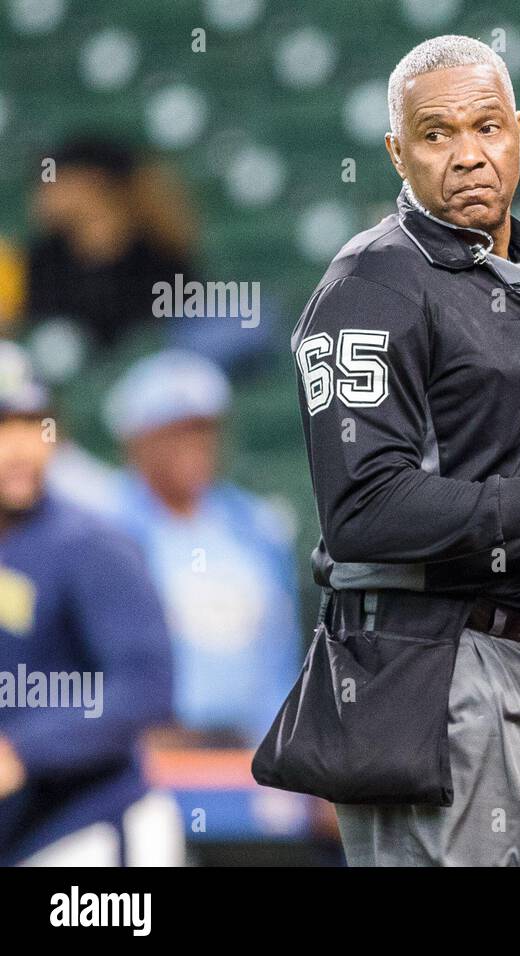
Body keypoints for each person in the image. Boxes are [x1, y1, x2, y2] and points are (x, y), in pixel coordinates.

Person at [276, 35, 520, 866]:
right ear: (397, 152)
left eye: (486, 127)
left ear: (519, 135)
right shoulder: (372, 286)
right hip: (435, 668)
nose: (467, 156)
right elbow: (363, 512)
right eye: (436, 133)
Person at [52, 350, 301, 748]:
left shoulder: (255, 526)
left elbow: (280, 652)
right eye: (174, 431)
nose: (193, 445)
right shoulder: (104, 526)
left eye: (203, 430)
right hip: (145, 746)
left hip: (249, 748)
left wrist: (285, 746)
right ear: (137, 441)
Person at [0, 343, 180, 866]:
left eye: (33, 423)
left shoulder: (86, 544)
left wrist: (24, 748)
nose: (20, 447)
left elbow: (146, 686)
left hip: (88, 828)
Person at [24, 138, 195, 350]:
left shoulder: (156, 259)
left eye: (52, 178)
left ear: (91, 181)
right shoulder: (44, 259)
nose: (42, 190)